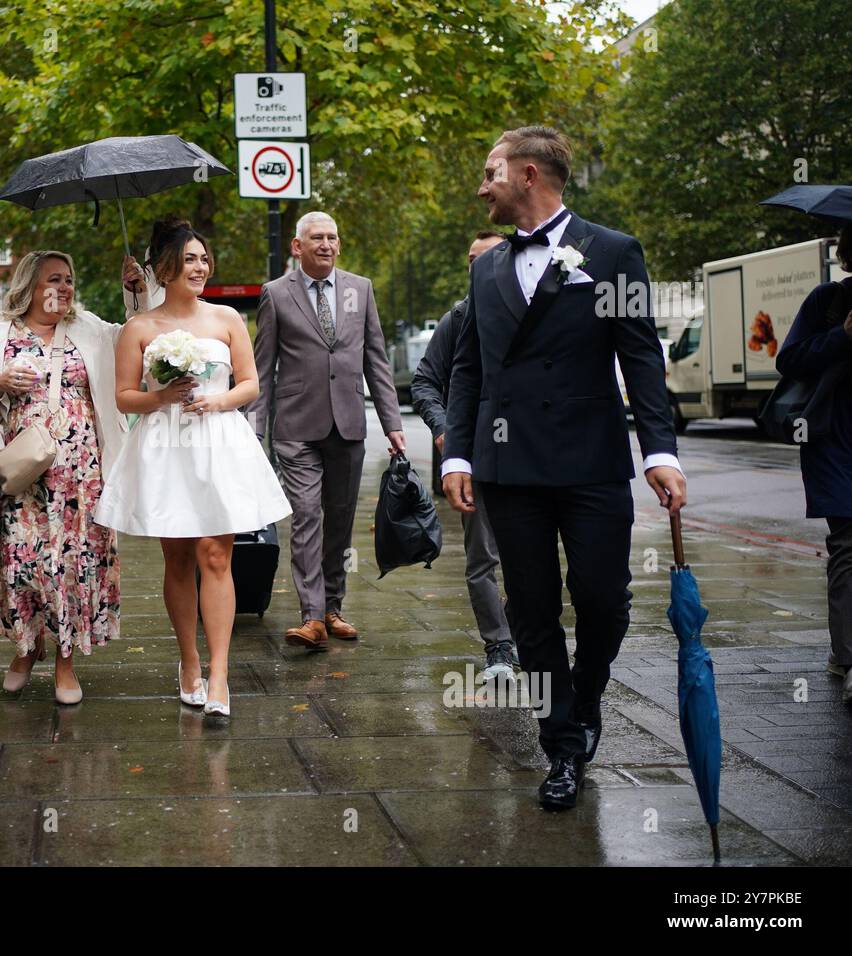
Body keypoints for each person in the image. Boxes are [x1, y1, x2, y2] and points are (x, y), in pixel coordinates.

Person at [442, 126, 687, 811]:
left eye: (489, 172)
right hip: (508, 467)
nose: (479, 185)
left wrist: (660, 453)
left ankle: (585, 692)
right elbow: (470, 369)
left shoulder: (612, 253)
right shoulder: (484, 269)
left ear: (527, 175)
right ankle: (563, 744)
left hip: (592, 461)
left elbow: (641, 356)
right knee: (533, 612)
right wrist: (458, 453)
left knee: (605, 598)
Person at [95, 218, 292, 717]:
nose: (200, 266)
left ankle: (221, 674)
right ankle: (189, 664)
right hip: (164, 447)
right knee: (178, 559)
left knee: (216, 556)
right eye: (189, 259)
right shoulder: (139, 328)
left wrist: (220, 401)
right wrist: (160, 395)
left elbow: (250, 384)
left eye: (204, 258)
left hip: (217, 442)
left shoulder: (226, 318)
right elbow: (123, 398)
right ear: (164, 268)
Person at [0, 251, 126, 705]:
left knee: (72, 564)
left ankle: (65, 662)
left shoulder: (90, 329)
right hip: (19, 476)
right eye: (55, 279)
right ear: (30, 285)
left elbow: (138, 332)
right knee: (22, 561)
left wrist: (137, 288)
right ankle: (25, 649)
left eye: (69, 279)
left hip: (81, 476)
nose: (65, 287)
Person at [245, 211, 406, 651]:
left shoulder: (361, 289)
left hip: (349, 424)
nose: (327, 245)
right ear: (297, 246)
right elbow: (263, 369)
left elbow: (377, 360)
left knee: (340, 520)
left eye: (333, 237)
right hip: (296, 428)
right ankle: (311, 616)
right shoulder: (276, 295)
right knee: (307, 516)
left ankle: (333, 606)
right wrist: (253, 433)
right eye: (317, 238)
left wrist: (392, 423)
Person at [412, 230, 519, 680]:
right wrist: (444, 430)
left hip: (529, 454)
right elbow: (424, 383)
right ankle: (499, 646)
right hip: (473, 456)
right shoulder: (457, 318)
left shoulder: (530, 310)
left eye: (489, 256)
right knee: (483, 556)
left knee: (529, 555)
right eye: (472, 259)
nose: (479, 265)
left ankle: (524, 634)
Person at [775, 223, 852, 705]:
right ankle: (849, 659)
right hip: (835, 440)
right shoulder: (828, 301)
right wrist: (841, 336)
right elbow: (790, 360)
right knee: (847, 544)